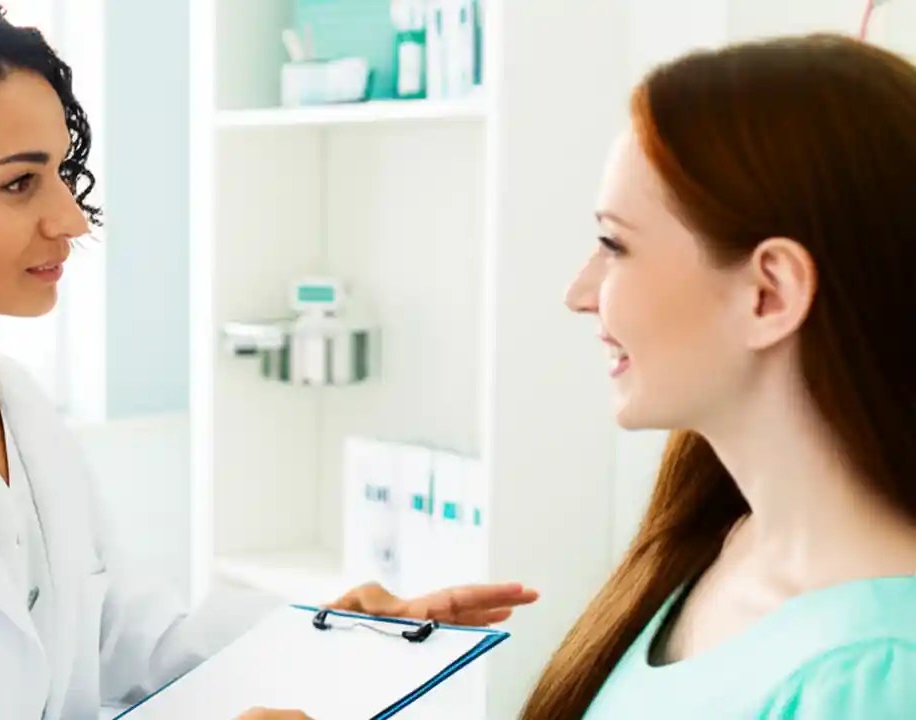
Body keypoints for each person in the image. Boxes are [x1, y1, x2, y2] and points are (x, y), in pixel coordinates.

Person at [0, 0, 539, 717]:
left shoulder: (15, 408)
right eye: (17, 182)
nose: (69, 219)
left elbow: (115, 640)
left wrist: (331, 641)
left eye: (63, 175)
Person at [247, 32, 916, 720]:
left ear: (768, 294)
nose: (579, 291)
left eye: (613, 244)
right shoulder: (723, 546)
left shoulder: (875, 679)